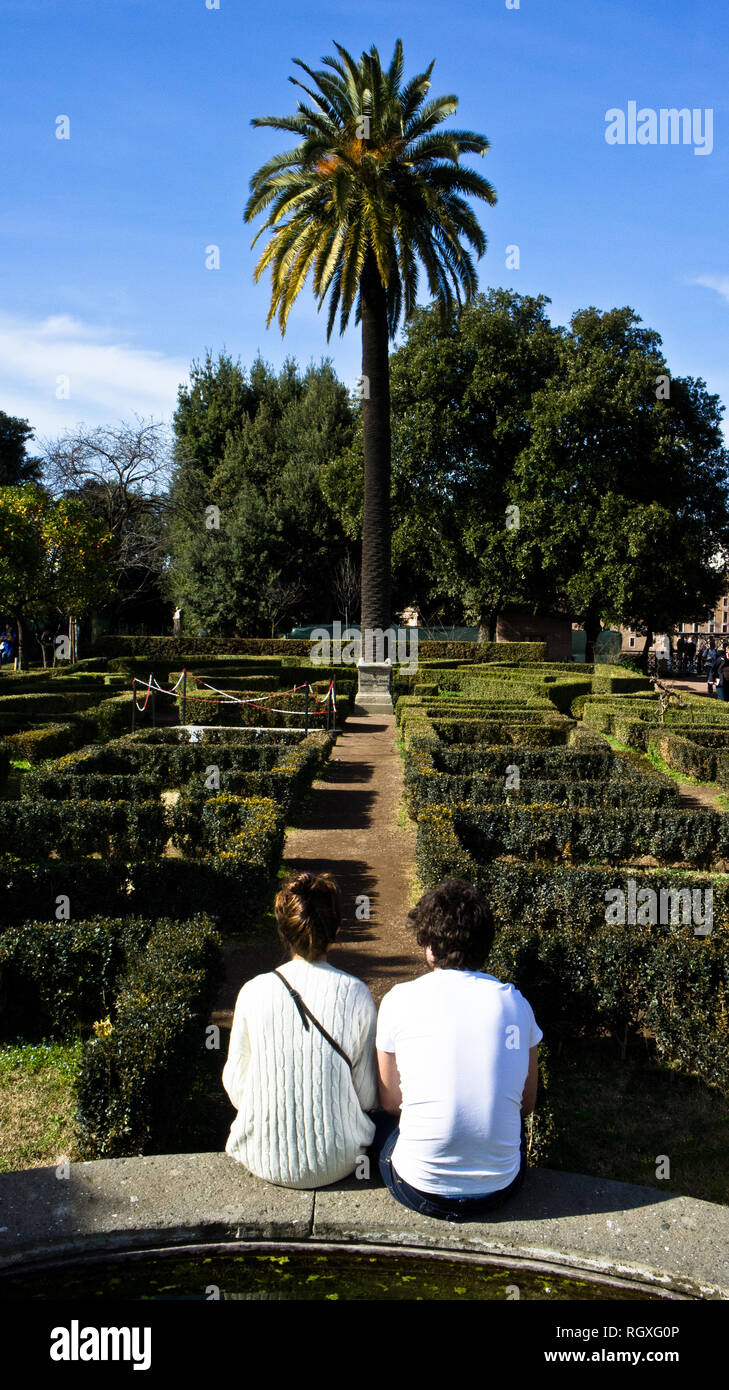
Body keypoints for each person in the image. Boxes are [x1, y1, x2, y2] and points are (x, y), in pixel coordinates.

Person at [374, 879, 542, 1222]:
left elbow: (391, 1102)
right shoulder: (516, 1004)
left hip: (418, 1187)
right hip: (500, 1188)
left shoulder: (399, 1000)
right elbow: (527, 1104)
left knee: (380, 1125)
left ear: (429, 948)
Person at [222, 871, 377, 1188]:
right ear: (334, 928)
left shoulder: (253, 991)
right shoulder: (356, 993)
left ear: (284, 930)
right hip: (342, 1159)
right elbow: (367, 1095)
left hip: (262, 1156)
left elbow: (237, 1087)